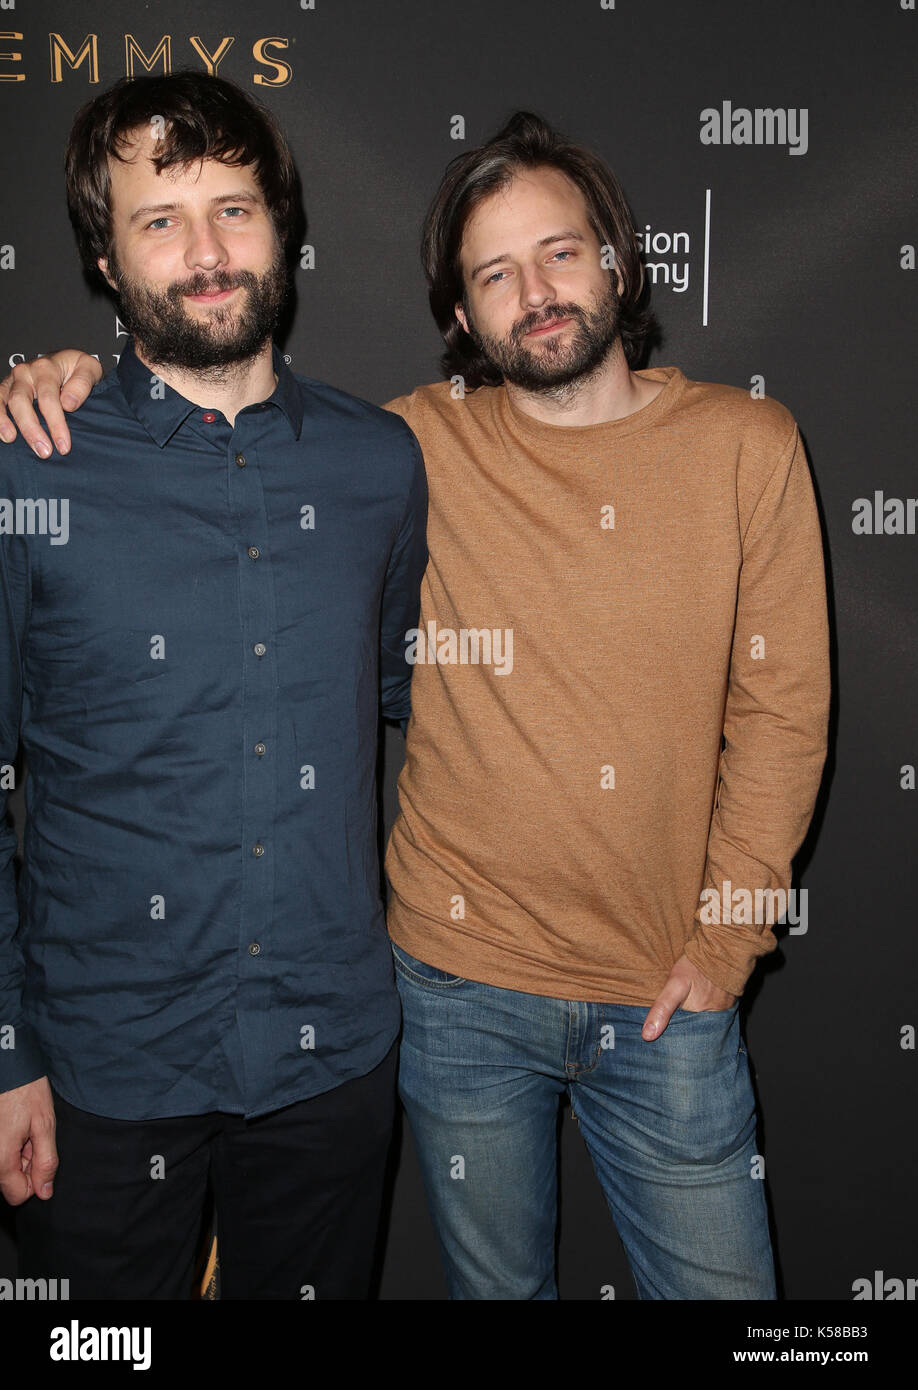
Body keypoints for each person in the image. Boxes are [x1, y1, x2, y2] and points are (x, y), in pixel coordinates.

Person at [2, 112, 830, 1301]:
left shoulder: (419, 457)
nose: (535, 293)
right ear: (461, 314)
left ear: (619, 259)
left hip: (583, 1013)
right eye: (494, 272)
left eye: (558, 253)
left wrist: (729, 937)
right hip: (404, 1008)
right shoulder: (384, 447)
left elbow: (781, 708)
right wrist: (56, 371)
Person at [0, 72, 427, 1300]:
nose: (205, 253)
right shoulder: (35, 468)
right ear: (103, 253)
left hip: (331, 1060)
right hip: (99, 1071)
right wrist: (7, 1053)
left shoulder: (378, 463)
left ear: (283, 226)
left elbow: (398, 699)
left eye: (234, 210)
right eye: (160, 219)